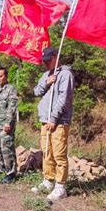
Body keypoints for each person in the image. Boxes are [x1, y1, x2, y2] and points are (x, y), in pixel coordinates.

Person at [31, 47, 75, 201]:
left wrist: (53, 119)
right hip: (45, 120)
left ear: (56, 57)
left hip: (58, 121)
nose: (46, 63)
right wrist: (47, 82)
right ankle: (48, 180)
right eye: (44, 60)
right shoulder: (46, 75)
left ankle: (60, 186)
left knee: (58, 153)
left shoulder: (66, 74)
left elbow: (64, 99)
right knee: (46, 152)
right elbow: (36, 91)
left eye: (49, 59)